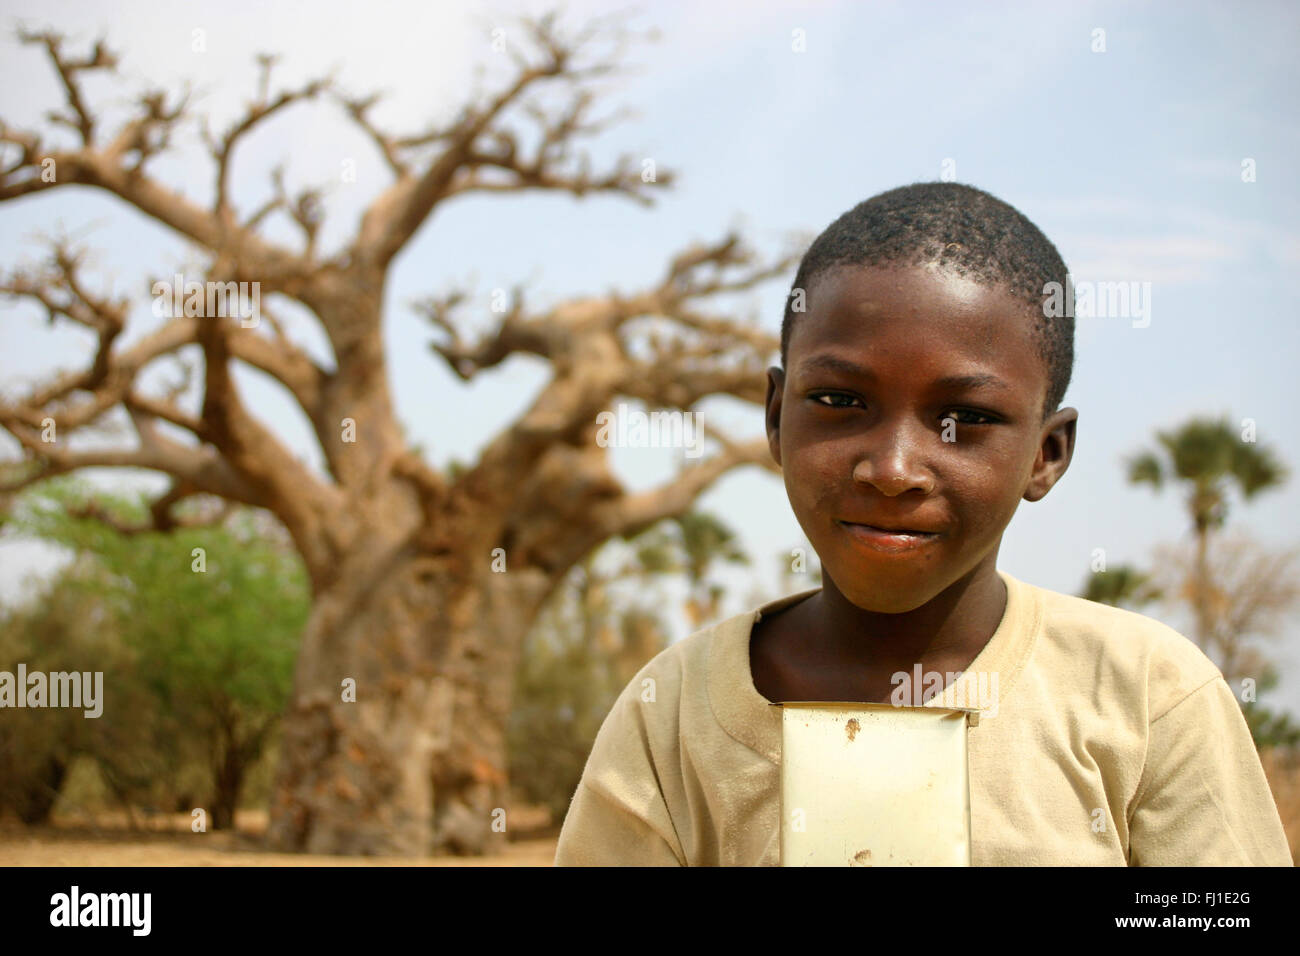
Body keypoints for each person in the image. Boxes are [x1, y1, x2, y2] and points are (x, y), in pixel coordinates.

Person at [553, 182, 1293, 866]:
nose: (894, 468)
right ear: (776, 417)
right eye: (842, 402)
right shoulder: (677, 711)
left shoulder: (1145, 696)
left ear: (1046, 453)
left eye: (965, 419)